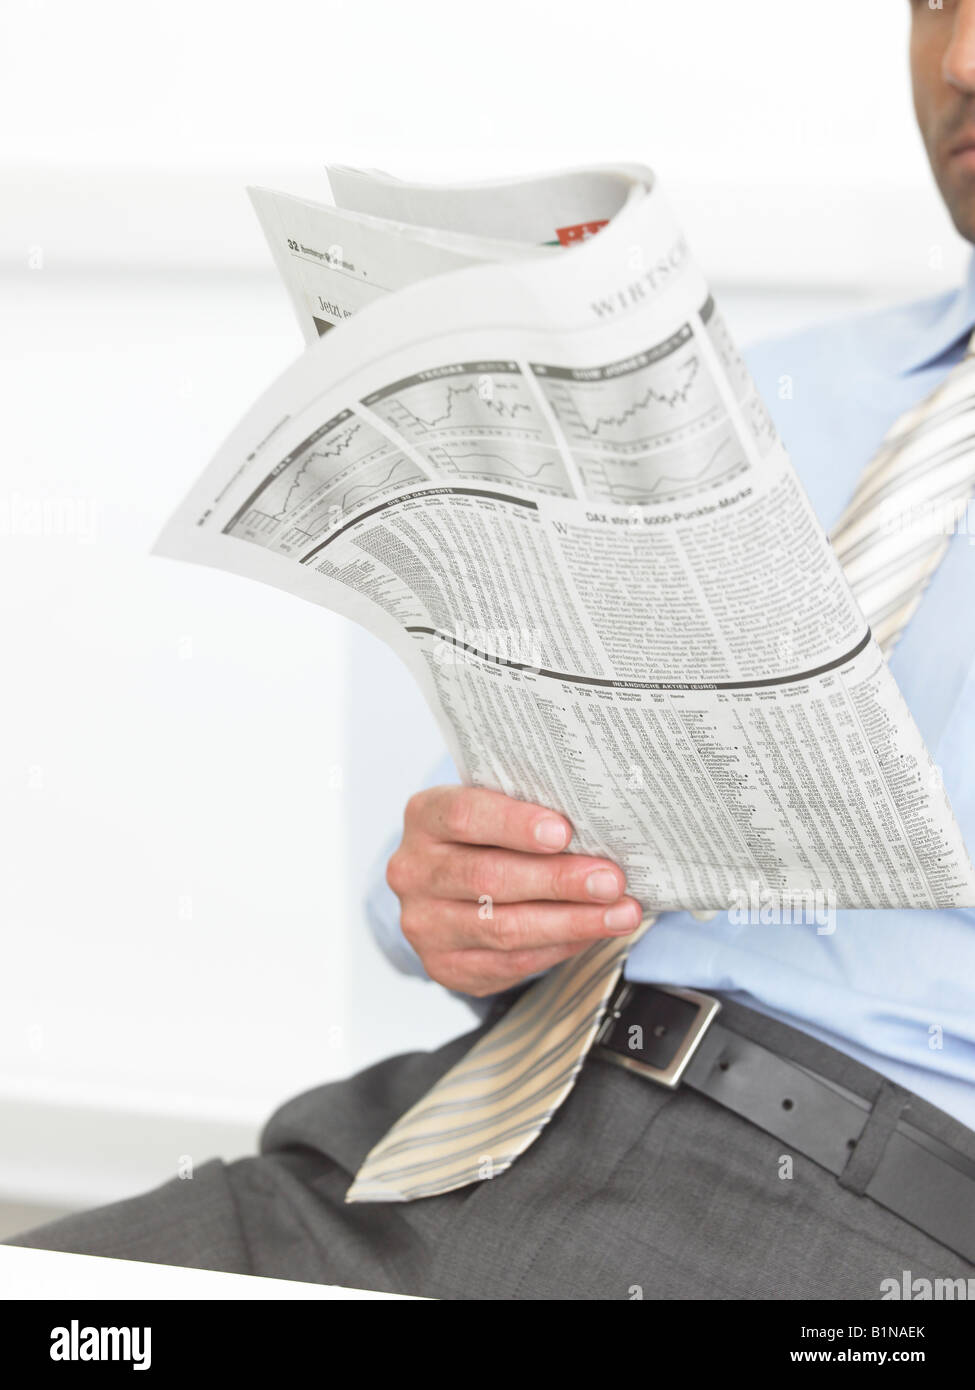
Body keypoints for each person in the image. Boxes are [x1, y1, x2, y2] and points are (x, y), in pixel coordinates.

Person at [7, 0, 975, 1298]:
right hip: (451, 1134)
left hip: (856, 1222)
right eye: (932, 3)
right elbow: (483, 830)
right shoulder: (755, 394)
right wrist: (458, 895)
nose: (961, 58)